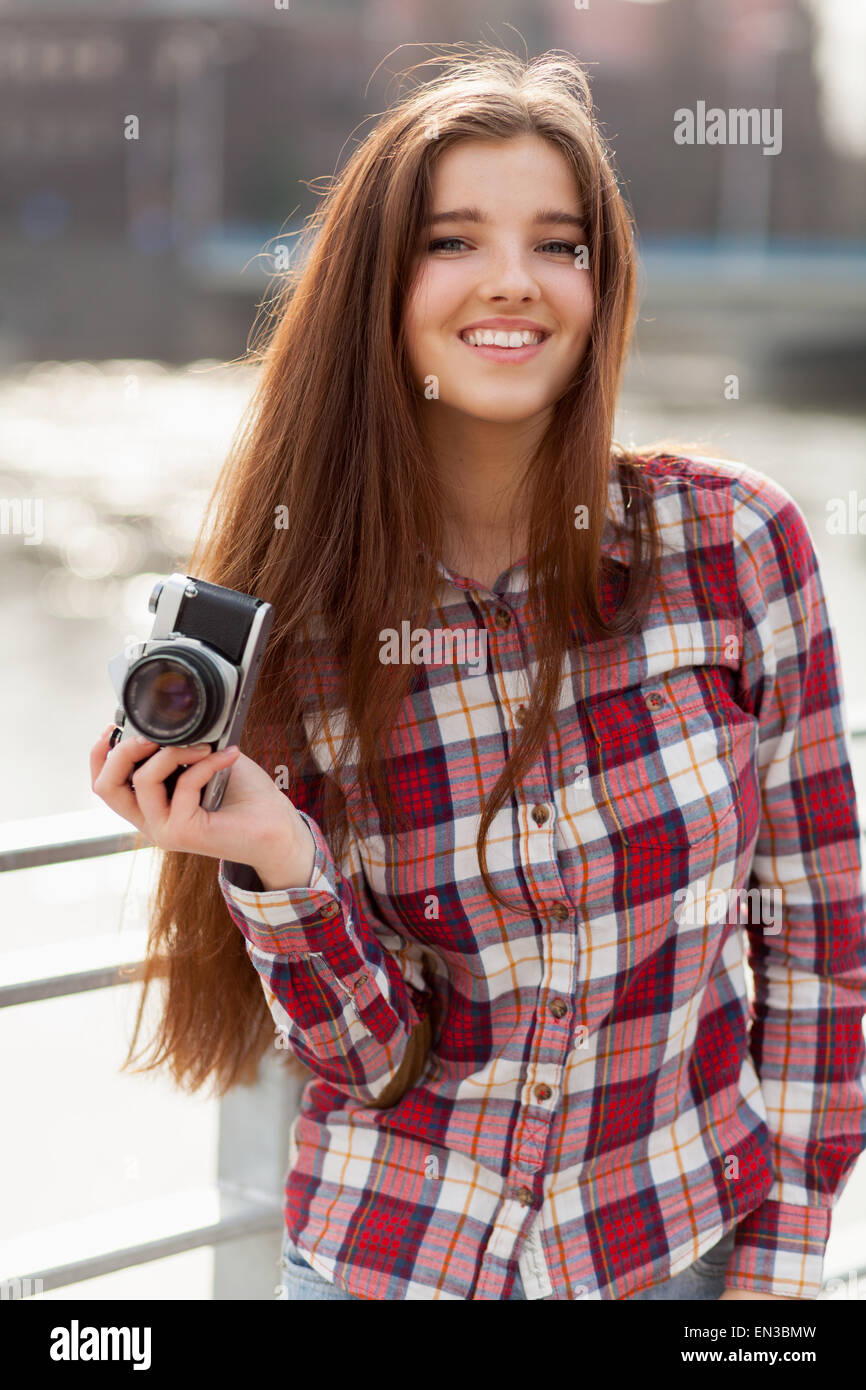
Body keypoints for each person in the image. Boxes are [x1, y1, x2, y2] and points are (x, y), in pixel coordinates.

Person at [89, 45, 866, 1301]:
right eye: (454, 240)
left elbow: (823, 950)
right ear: (378, 289)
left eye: (558, 244)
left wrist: (773, 1278)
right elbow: (370, 1056)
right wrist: (276, 861)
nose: (514, 281)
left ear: (598, 282)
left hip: (676, 1260)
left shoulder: (736, 544)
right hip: (384, 1268)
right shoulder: (289, 624)